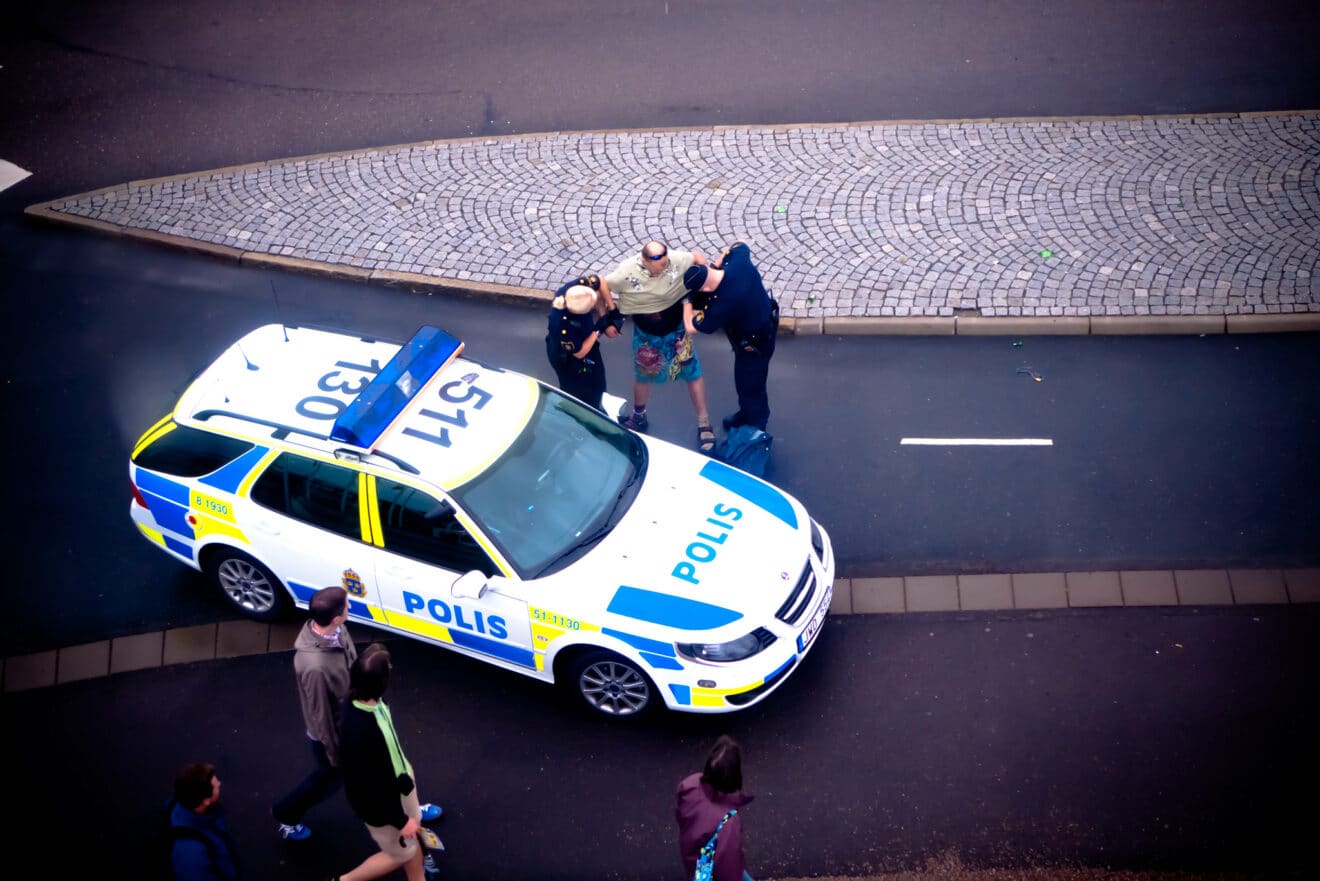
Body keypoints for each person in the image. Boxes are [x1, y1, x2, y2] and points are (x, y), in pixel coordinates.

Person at [332, 644, 439, 881]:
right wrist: (400, 820)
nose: (391, 670)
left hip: (399, 786)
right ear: (379, 683)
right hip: (385, 807)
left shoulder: (368, 701)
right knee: (400, 852)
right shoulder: (359, 731)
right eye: (388, 669)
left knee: (411, 839)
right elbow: (367, 789)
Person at [600, 240, 717, 452]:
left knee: (692, 372)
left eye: (665, 263)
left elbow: (697, 257)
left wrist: (704, 290)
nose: (663, 269)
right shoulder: (626, 272)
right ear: (644, 261)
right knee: (643, 376)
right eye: (658, 266)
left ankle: (704, 422)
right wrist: (608, 317)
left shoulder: (675, 260)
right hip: (647, 337)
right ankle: (639, 416)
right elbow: (601, 284)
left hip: (677, 332)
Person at [683, 242, 780, 433]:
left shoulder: (723, 304)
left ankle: (756, 428)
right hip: (764, 324)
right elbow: (737, 246)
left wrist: (687, 302)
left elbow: (691, 326)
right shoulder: (739, 264)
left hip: (754, 345)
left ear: (705, 289)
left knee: (750, 386)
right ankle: (746, 414)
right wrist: (718, 264)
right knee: (745, 382)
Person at [675, 736, 755, 881]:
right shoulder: (728, 822)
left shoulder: (689, 784)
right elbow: (728, 869)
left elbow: (680, 816)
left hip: (695, 861)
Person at [544, 273, 620, 412]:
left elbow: (600, 281)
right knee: (579, 393)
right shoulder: (563, 327)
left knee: (598, 382)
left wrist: (609, 314)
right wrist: (598, 330)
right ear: (580, 313)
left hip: (588, 345)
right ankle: (581, 417)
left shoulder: (572, 291)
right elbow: (579, 353)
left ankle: (601, 409)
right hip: (568, 359)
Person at [171, 761, 241, 881]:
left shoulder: (188, 807)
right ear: (205, 801)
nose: (219, 783)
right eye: (215, 786)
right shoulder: (192, 857)